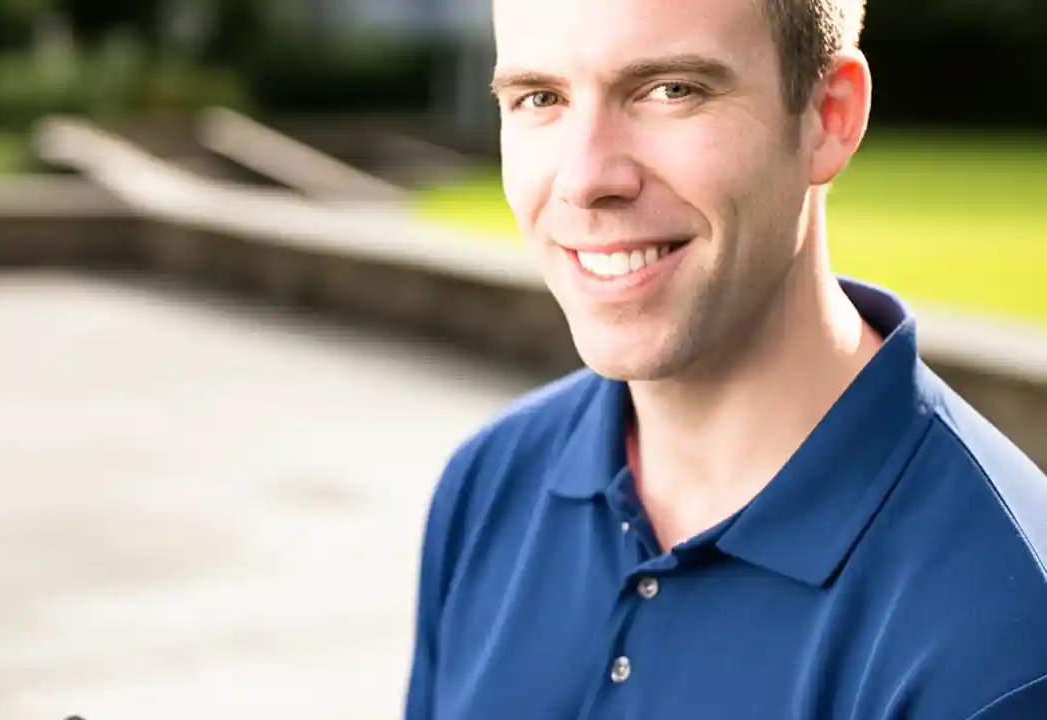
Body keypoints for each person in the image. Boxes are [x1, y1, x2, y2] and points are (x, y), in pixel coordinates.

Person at [403, 0, 1047, 717]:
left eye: (672, 90)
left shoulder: (1005, 638)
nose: (586, 177)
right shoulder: (487, 486)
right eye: (540, 97)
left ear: (829, 116)